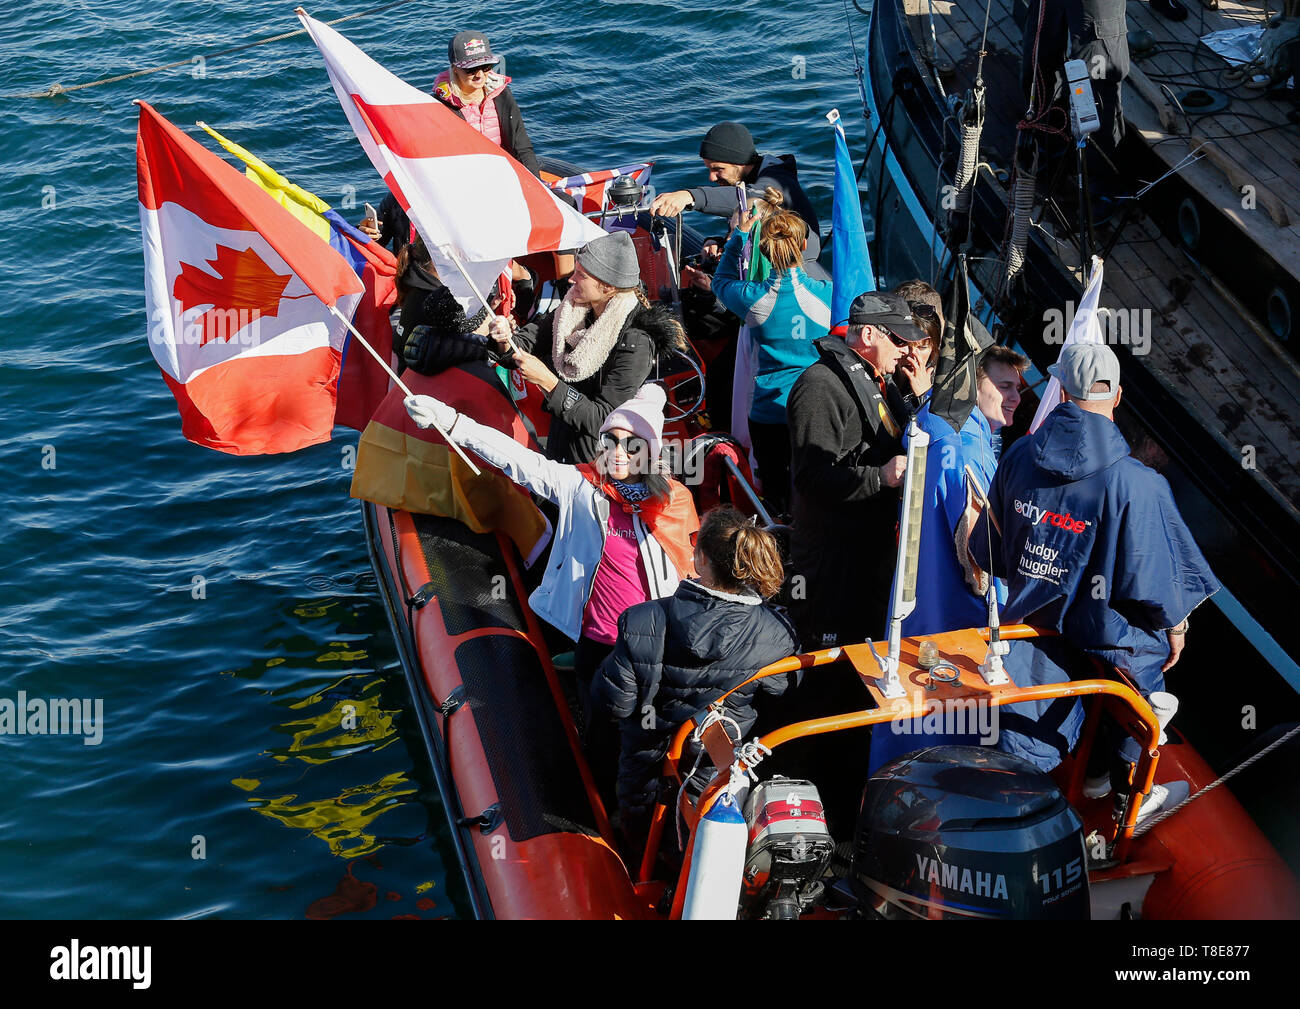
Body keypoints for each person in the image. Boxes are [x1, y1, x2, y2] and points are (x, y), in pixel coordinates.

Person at [963, 342, 1219, 815]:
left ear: (1059, 388)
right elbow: (1160, 582)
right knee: (1149, 654)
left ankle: (1084, 773)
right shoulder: (1139, 484)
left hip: (1033, 633)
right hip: (1103, 639)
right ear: (1117, 397)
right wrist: (1178, 628)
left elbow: (988, 552)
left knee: (1029, 739)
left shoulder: (1019, 455)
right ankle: (1127, 791)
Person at [404, 383, 699, 718]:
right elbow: (519, 461)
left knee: (645, 722)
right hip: (597, 637)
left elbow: (689, 569)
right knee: (598, 716)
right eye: (610, 440)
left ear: (649, 451)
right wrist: (452, 422)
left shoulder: (674, 502)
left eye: (631, 444)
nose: (618, 451)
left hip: (652, 641)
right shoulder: (580, 486)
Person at [591, 506, 799, 853]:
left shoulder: (642, 619)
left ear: (701, 559)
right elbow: (784, 691)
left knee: (643, 845)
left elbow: (613, 703)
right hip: (715, 771)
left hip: (646, 769)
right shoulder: (777, 633)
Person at [786, 290, 929, 648]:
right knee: (834, 657)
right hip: (833, 563)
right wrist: (879, 477)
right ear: (869, 336)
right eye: (897, 340)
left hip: (869, 551)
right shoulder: (819, 386)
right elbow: (809, 477)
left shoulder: (879, 380)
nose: (905, 350)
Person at [490, 231, 685, 465]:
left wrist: (549, 383)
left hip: (598, 461)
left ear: (607, 287)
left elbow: (606, 419)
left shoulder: (637, 340)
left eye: (580, 275)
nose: (571, 279)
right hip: (562, 445)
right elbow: (525, 343)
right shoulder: (572, 310)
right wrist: (503, 338)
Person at [711, 189, 830, 517]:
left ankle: (779, 531)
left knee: (775, 490)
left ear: (762, 250)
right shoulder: (829, 296)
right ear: (803, 247)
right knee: (813, 481)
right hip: (814, 409)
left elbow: (720, 281)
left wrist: (738, 236)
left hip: (768, 412)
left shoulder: (752, 299)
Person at [650, 121, 824, 271]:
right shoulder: (746, 179)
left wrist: (689, 196)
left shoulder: (776, 179)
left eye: (718, 169)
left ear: (739, 162)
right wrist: (719, 243)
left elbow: (750, 199)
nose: (711, 177)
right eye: (709, 169)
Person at [432, 31, 540, 177]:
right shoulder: (440, 105)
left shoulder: (502, 94)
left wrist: (536, 183)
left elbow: (521, 147)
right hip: (465, 179)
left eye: (486, 67)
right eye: (471, 69)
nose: (480, 75)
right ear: (455, 69)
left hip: (503, 174)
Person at [392, 237, 493, 373]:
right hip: (427, 387)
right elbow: (441, 354)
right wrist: (485, 330)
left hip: (409, 379)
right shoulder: (435, 302)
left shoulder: (415, 284)